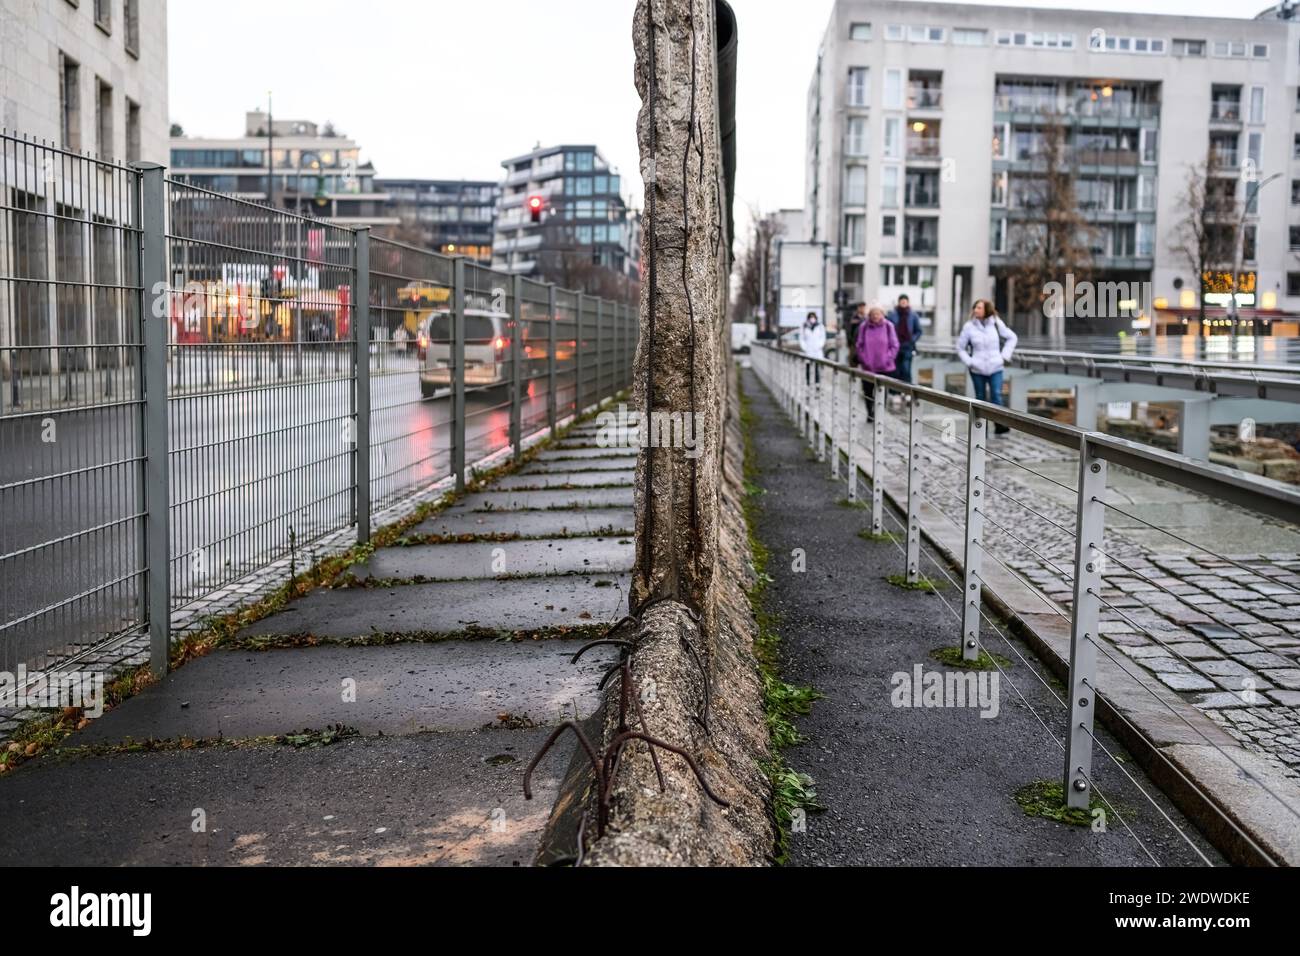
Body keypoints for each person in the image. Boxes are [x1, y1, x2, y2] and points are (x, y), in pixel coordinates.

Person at [955, 299, 1018, 435]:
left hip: (996, 366)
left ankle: (1000, 426)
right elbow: (960, 348)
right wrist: (970, 362)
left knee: (996, 395)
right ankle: (981, 428)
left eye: (979, 308)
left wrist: (1004, 356)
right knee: (980, 397)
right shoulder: (969, 326)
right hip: (977, 368)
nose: (975, 310)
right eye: (975, 307)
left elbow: (1012, 337)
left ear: (986, 310)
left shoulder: (996, 322)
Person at [855, 304, 899, 419]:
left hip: (885, 367)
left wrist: (887, 358)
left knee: (882, 392)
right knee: (868, 391)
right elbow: (859, 345)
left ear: (882, 315)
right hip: (868, 367)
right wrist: (864, 360)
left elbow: (894, 345)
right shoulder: (864, 327)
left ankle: (879, 415)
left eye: (878, 313)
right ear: (869, 315)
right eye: (873, 314)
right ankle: (870, 413)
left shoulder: (889, 326)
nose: (875, 316)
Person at [887, 294, 923, 384]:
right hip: (895, 346)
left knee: (906, 369)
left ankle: (907, 392)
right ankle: (896, 392)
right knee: (896, 370)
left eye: (905, 301)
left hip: (908, 346)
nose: (903, 303)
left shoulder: (913, 315)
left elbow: (918, 331)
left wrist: (912, 339)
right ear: (899, 302)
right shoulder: (892, 315)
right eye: (901, 301)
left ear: (908, 302)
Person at [798, 311, 826, 385]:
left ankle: (817, 383)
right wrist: (804, 347)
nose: (812, 319)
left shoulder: (820, 326)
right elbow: (801, 338)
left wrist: (819, 345)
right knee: (808, 367)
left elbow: (823, 338)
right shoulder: (804, 326)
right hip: (808, 350)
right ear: (808, 318)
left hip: (817, 350)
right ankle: (808, 382)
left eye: (813, 317)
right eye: (810, 317)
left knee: (817, 367)